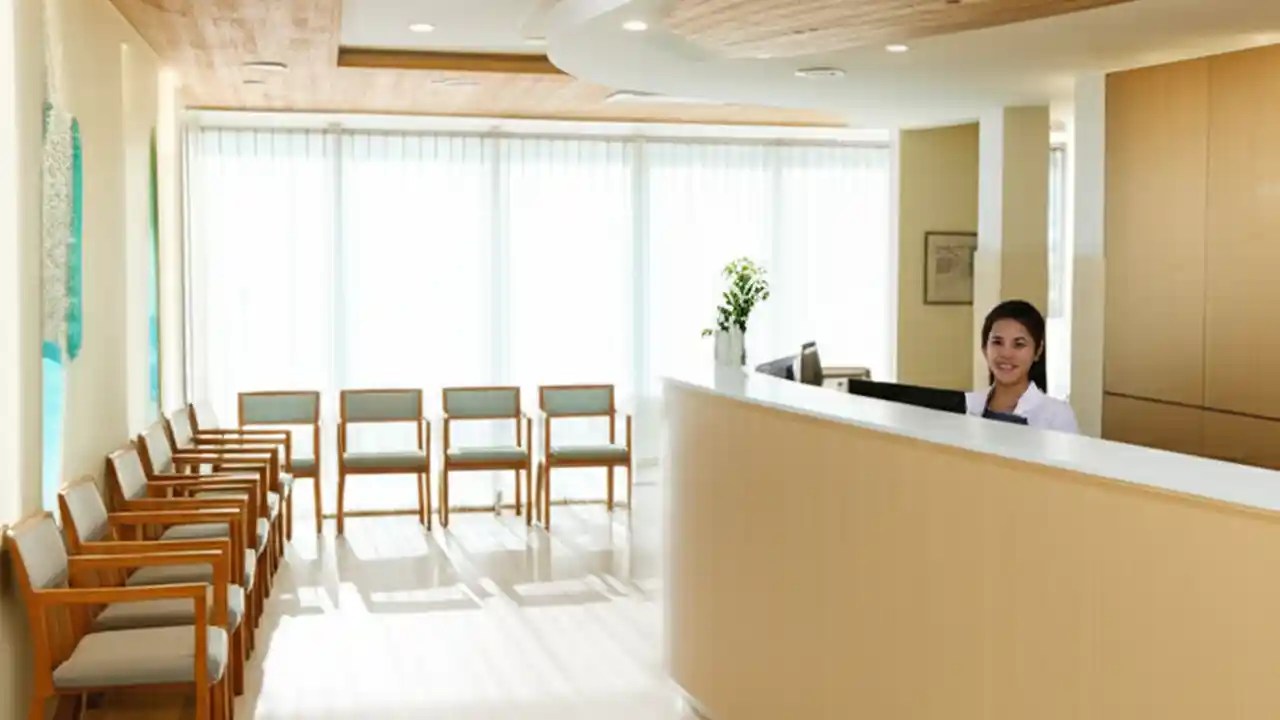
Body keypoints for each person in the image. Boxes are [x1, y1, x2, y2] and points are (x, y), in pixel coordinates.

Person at [965, 300, 1079, 433]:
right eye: (997, 342)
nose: (1006, 354)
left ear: (1038, 351)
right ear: (985, 348)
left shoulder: (1057, 416)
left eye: (1019, 344)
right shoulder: (967, 406)